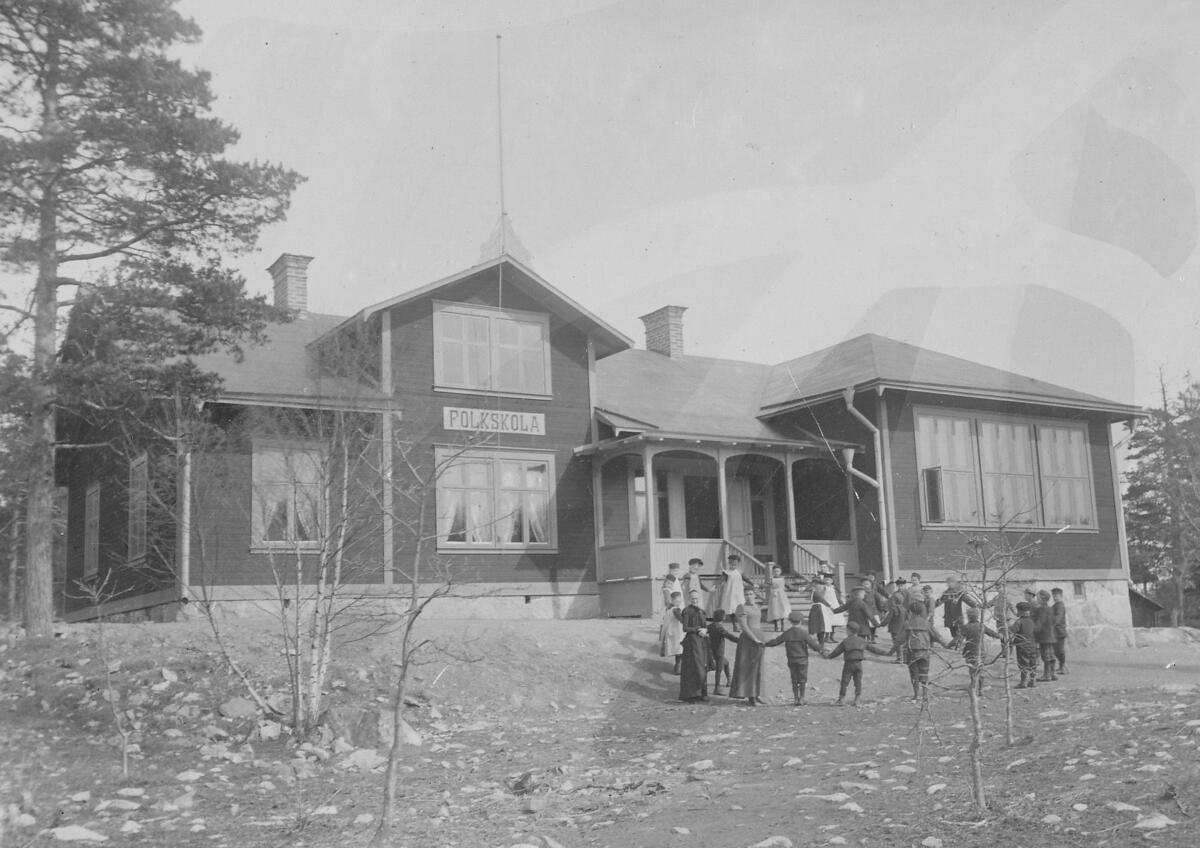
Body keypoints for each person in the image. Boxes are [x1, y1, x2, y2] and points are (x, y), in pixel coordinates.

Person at [764, 610, 823, 705]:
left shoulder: (787, 633)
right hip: (803, 659)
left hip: (791, 659)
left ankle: (796, 698)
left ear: (790, 621)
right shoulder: (804, 633)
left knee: (794, 679)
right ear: (801, 621)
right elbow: (814, 646)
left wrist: (764, 644)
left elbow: (775, 642)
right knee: (803, 679)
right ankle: (802, 699)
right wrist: (821, 650)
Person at [826, 621, 890, 706]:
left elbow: (837, 652)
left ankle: (841, 699)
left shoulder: (846, 641)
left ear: (849, 630)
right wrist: (885, 653)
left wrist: (829, 656)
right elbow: (873, 649)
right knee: (858, 682)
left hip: (848, 664)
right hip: (859, 664)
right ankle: (857, 699)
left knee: (845, 682)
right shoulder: (862, 641)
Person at [901, 600, 950, 702]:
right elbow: (937, 636)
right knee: (924, 673)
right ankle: (924, 694)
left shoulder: (907, 624)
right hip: (924, 652)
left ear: (911, 612)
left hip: (911, 652)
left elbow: (899, 639)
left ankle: (915, 695)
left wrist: (891, 651)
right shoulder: (927, 624)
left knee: (914, 673)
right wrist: (947, 645)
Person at [729, 603, 766, 706]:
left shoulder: (757, 606)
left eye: (751, 594)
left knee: (758, 667)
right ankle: (751, 697)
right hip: (748, 640)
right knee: (748, 667)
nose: (749, 596)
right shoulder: (741, 607)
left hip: (759, 636)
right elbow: (744, 626)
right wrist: (754, 639)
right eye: (746, 594)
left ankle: (757, 694)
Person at [677, 590, 710, 702]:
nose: (695, 600)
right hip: (691, 642)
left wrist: (705, 630)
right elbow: (685, 628)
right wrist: (697, 629)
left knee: (702, 666)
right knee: (692, 668)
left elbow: (705, 626)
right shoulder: (687, 611)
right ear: (689, 599)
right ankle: (690, 695)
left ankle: (702, 693)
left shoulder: (702, 611)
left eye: (696, 598)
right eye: (692, 599)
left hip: (701, 641)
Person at [959, 608, 1000, 697]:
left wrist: (951, 645)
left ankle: (974, 687)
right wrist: (1001, 636)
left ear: (968, 617)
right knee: (980, 670)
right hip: (981, 651)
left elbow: (959, 639)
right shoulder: (981, 626)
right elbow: (992, 633)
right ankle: (980, 689)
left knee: (972, 671)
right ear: (977, 616)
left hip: (970, 652)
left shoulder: (966, 627)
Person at [935, 575, 976, 648]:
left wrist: (974, 605)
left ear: (955, 583)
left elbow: (968, 600)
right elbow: (939, 602)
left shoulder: (959, 593)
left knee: (959, 633)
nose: (950, 584)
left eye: (952, 582)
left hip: (958, 616)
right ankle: (956, 645)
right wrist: (932, 606)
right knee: (953, 633)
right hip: (949, 617)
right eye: (948, 583)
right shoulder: (946, 593)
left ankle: (956, 646)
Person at [1012, 601, 1039, 689]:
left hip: (1022, 647)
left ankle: (1023, 682)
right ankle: (1033, 680)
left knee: (1023, 664)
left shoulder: (1019, 622)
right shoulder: (1032, 621)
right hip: (1033, 646)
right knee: (1033, 663)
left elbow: (1012, 630)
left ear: (1020, 611)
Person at [707, 609, 735, 694]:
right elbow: (727, 635)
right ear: (723, 618)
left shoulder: (710, 626)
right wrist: (738, 640)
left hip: (711, 650)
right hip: (719, 651)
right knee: (719, 669)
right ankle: (717, 688)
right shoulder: (720, 627)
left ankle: (729, 680)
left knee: (726, 663)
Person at [658, 591, 686, 674]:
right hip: (677, 633)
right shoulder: (676, 610)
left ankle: (678, 667)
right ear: (672, 600)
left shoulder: (669, 609)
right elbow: (682, 620)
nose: (679, 603)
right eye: (677, 601)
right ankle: (678, 669)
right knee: (680, 651)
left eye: (680, 601)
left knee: (678, 651)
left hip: (671, 632)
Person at [808, 572, 838, 647]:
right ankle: (820, 643)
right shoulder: (816, 593)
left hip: (820, 609)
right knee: (820, 625)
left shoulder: (819, 591)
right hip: (819, 609)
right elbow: (821, 599)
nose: (821, 588)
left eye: (821, 586)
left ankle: (821, 643)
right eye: (819, 586)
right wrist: (830, 606)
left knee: (821, 626)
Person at [1033, 589, 1057, 682]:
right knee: (1051, 655)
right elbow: (1054, 621)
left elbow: (1039, 622)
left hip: (1044, 636)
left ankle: (1047, 675)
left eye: (1038, 597)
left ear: (1042, 598)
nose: (1037, 598)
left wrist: (1033, 631)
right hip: (1051, 635)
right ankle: (1052, 674)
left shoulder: (1042, 609)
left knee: (1046, 656)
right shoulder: (1050, 608)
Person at [717, 554, 747, 624]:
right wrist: (715, 586)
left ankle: (742, 623)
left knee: (740, 606)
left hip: (739, 592)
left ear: (737, 564)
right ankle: (734, 624)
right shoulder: (727, 572)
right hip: (730, 592)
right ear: (729, 563)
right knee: (732, 607)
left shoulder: (739, 572)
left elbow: (745, 578)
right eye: (731, 564)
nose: (732, 566)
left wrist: (752, 584)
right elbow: (721, 580)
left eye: (735, 564)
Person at [886, 577, 910, 662]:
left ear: (905, 585)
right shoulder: (894, 595)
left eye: (902, 585)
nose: (900, 587)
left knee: (903, 640)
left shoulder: (908, 594)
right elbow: (890, 607)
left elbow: (909, 606)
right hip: (896, 619)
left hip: (904, 619)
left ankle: (904, 657)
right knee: (896, 639)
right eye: (899, 585)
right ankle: (900, 657)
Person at [766, 565, 792, 631]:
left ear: (780, 572)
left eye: (777, 571)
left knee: (782, 608)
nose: (776, 572)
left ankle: (782, 626)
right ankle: (776, 626)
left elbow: (787, 585)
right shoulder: (772, 579)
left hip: (782, 595)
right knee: (775, 609)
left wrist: (791, 588)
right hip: (774, 595)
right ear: (773, 572)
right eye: (774, 571)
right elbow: (767, 584)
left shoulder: (783, 578)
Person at [1051, 587, 1069, 675]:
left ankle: (1063, 666)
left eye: (1057, 596)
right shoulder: (1055, 605)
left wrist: (1051, 624)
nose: (1055, 597)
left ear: (1061, 596)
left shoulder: (1060, 605)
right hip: (1054, 631)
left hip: (1059, 631)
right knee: (1055, 650)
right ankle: (1061, 666)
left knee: (1059, 650)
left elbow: (1058, 617)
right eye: (1053, 595)